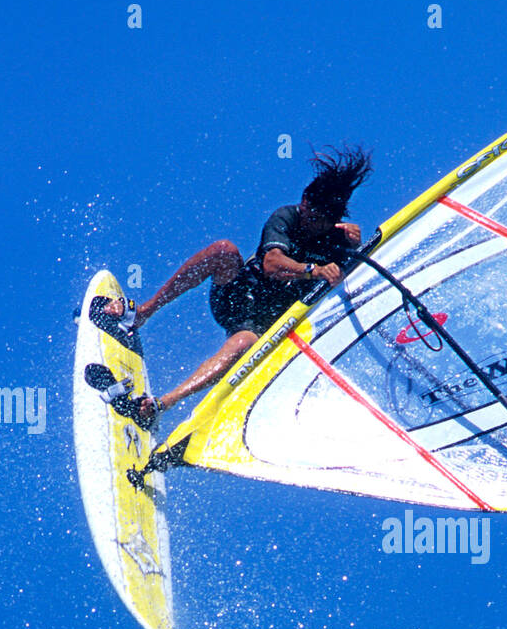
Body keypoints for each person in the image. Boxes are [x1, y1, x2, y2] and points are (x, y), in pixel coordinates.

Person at [105, 146, 372, 429]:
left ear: (332, 220)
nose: (310, 224)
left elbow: (355, 287)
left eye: (319, 221)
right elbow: (272, 264)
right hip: (235, 296)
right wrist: (312, 270)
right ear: (304, 201)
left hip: (261, 325)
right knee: (224, 250)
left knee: (245, 343)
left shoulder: (340, 242)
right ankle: (143, 312)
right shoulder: (286, 217)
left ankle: (160, 404)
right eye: (309, 214)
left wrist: (350, 254)